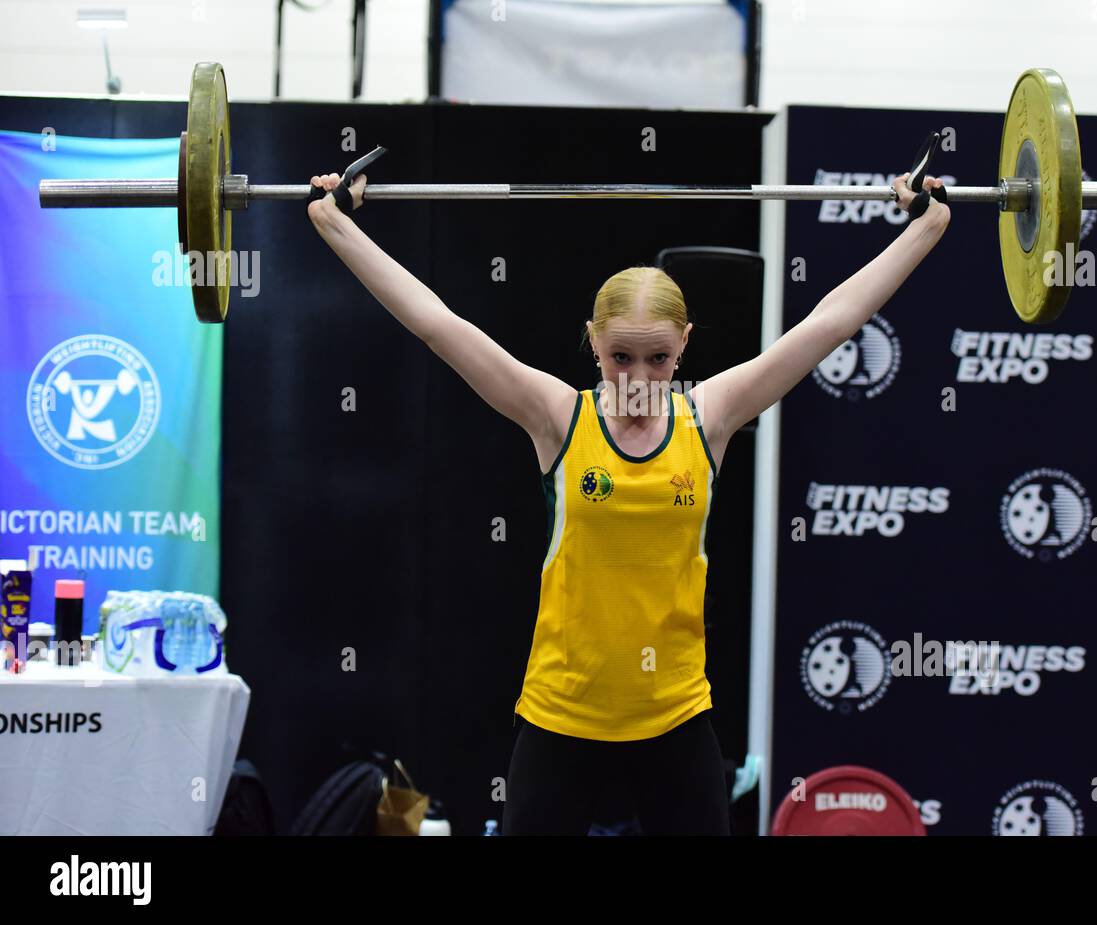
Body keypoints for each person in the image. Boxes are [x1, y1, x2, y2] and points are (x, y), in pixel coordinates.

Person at [308, 168, 950, 834]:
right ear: (592, 340)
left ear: (684, 346)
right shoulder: (558, 417)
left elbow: (830, 323)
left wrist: (926, 227)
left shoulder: (711, 417)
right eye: (620, 356)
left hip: (673, 716)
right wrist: (335, 223)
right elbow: (437, 325)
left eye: (658, 359)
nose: (638, 377)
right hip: (563, 716)